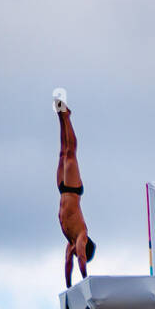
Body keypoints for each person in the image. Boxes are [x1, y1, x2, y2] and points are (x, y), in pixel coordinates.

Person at [54, 93, 96, 287]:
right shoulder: (82, 236)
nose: (76, 251)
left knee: (63, 151)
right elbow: (79, 257)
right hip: (72, 189)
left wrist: (69, 287)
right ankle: (67, 116)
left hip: (62, 190)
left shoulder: (70, 243)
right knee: (71, 152)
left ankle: (61, 117)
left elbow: (67, 263)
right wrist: (85, 281)